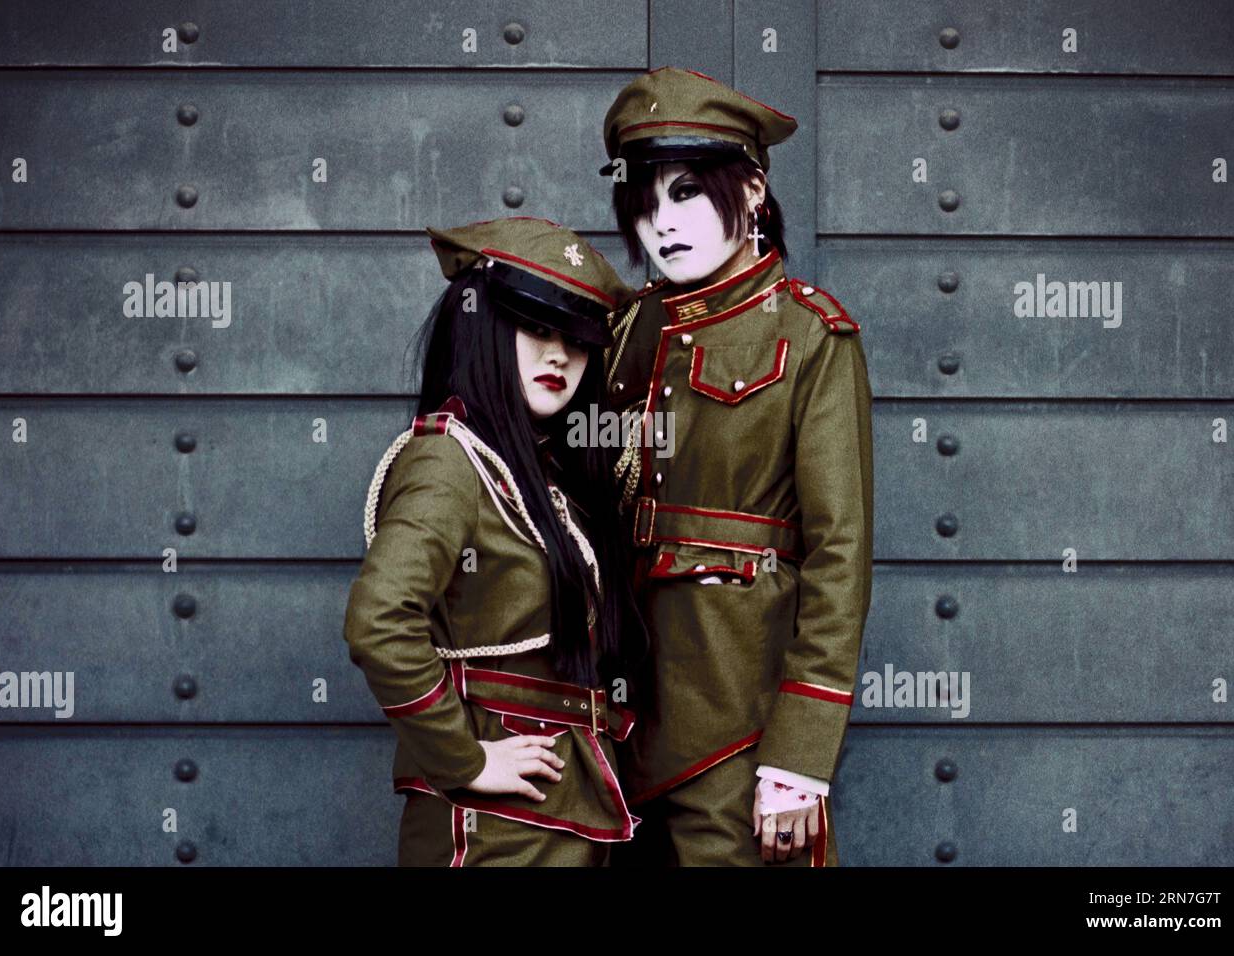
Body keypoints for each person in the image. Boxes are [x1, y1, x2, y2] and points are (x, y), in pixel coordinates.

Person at [598, 67, 874, 866]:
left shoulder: (812, 334)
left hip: (739, 724)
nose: (661, 225)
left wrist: (798, 758)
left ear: (753, 191)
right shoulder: (630, 329)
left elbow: (839, 558)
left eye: (686, 193)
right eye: (644, 203)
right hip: (619, 721)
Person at [343, 217, 648, 866]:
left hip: (566, 809)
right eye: (536, 327)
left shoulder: (547, 473)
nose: (560, 354)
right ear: (481, 326)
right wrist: (465, 759)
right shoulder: (449, 461)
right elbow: (378, 623)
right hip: (489, 829)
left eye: (579, 339)